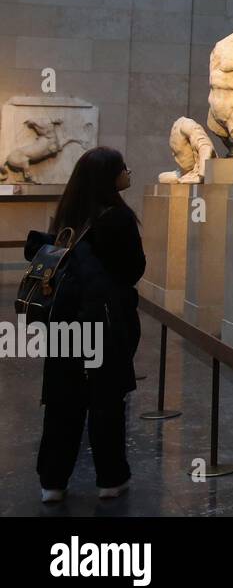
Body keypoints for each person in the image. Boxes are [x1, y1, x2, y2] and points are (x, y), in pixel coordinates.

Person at [24, 146, 145, 503]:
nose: (128, 172)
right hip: (104, 320)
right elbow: (132, 270)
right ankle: (110, 478)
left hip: (63, 320)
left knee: (64, 400)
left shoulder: (66, 215)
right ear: (110, 177)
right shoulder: (117, 219)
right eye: (123, 167)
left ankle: (53, 482)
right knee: (106, 398)